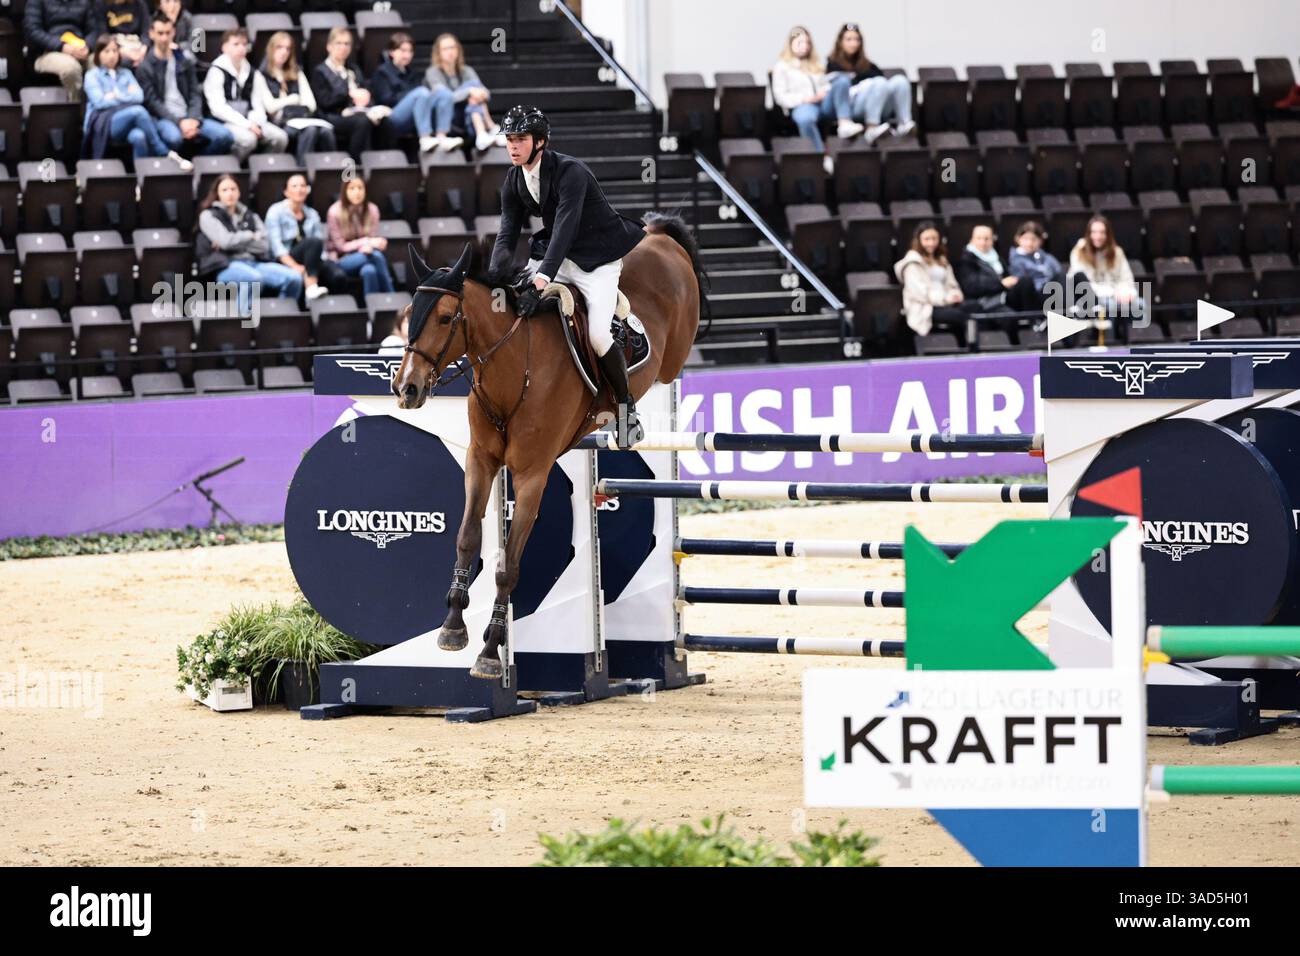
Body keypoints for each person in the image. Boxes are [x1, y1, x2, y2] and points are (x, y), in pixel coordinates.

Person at [486, 105, 648, 445]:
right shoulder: (514, 179)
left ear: (541, 141)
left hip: (596, 259)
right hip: (556, 256)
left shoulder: (571, 172)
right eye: (509, 140)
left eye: (521, 139)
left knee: (599, 336)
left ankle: (625, 408)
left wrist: (541, 280)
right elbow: (506, 233)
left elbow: (564, 229)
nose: (513, 146)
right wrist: (494, 276)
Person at [196, 174, 303, 315]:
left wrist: (235, 241)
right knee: (253, 278)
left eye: (233, 189)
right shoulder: (208, 215)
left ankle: (279, 321)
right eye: (225, 190)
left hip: (254, 262)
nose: (230, 193)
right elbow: (226, 242)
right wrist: (251, 236)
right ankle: (244, 328)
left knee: (294, 278)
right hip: (225, 265)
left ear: (239, 192)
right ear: (217, 194)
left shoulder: (250, 215)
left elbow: (265, 245)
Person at [82, 34, 192, 167]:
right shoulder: (92, 75)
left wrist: (115, 96)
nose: (112, 55)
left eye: (115, 51)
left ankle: (141, 180)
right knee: (138, 111)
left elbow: (139, 97)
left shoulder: (126, 73)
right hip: (103, 122)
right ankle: (162, 151)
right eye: (107, 51)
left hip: (127, 120)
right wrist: (126, 96)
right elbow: (100, 102)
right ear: (98, 54)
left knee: (138, 136)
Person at [137, 12, 233, 157]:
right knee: (174, 138)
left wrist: (193, 118)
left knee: (225, 136)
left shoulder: (183, 60)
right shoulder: (145, 66)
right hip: (164, 118)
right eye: (160, 33)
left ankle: (199, 163)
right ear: (151, 34)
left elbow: (195, 93)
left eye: (168, 33)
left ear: (173, 33)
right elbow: (153, 103)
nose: (164, 38)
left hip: (190, 116)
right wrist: (180, 122)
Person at [771, 26, 863, 172]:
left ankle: (844, 123)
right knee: (805, 118)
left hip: (823, 104)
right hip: (802, 105)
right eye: (800, 42)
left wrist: (824, 92)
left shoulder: (816, 64)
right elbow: (780, 97)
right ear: (791, 44)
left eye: (807, 43)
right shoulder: (782, 67)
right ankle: (821, 156)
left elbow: (825, 84)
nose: (804, 46)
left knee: (842, 80)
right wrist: (806, 99)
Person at [204, 28, 288, 160]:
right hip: (223, 121)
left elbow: (257, 104)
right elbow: (218, 109)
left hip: (249, 119)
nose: (241, 48)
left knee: (280, 137)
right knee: (248, 140)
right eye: (236, 44)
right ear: (224, 47)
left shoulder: (252, 72)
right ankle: (232, 170)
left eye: (244, 44)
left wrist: (257, 121)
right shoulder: (216, 71)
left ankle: (261, 169)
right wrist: (247, 125)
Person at [827, 22, 914, 144]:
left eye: (857, 39)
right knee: (879, 82)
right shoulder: (832, 63)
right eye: (849, 39)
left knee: (900, 81)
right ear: (840, 41)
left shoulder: (868, 64)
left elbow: (881, 81)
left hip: (877, 105)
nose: (853, 43)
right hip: (853, 107)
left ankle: (904, 123)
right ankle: (871, 128)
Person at [310, 27, 387, 161]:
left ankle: (382, 164)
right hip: (333, 115)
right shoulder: (320, 71)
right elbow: (325, 102)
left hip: (357, 111)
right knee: (363, 122)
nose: (343, 47)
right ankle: (355, 164)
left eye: (347, 44)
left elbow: (366, 92)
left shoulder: (354, 69)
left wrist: (368, 102)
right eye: (339, 43)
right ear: (329, 46)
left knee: (384, 120)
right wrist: (349, 94)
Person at [259, 31, 337, 164]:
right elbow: (270, 107)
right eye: (279, 47)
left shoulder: (296, 72)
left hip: (302, 119)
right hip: (280, 123)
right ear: (271, 49)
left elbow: (310, 103)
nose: (284, 52)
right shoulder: (261, 75)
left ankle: (331, 171)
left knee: (326, 131)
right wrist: (293, 99)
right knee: (310, 131)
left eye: (288, 48)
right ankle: (302, 173)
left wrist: (285, 103)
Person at [266, 173, 345, 302]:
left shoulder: (312, 214)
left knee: (338, 275)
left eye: (303, 186)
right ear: (286, 191)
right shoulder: (275, 211)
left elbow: (320, 246)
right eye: (295, 186)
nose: (299, 189)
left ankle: (333, 313)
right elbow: (276, 248)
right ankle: (311, 287)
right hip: (287, 258)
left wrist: (323, 263)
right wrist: (295, 267)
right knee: (312, 242)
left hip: (310, 259)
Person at [369, 32, 446, 154]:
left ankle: (442, 136)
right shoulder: (382, 72)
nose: (407, 55)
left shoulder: (413, 73)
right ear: (392, 52)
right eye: (403, 50)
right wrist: (410, 96)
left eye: (410, 51)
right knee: (421, 93)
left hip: (412, 117)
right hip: (391, 117)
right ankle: (425, 138)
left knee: (442, 94)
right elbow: (385, 99)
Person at [425, 32, 500, 152]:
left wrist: (476, 93)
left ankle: (482, 134)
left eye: (452, 47)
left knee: (474, 92)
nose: (450, 51)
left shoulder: (466, 70)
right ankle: (489, 128)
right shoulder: (432, 72)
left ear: (458, 49)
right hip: (448, 120)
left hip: (468, 116)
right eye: (445, 48)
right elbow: (447, 97)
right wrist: (469, 91)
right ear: (438, 52)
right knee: (472, 88)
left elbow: (486, 93)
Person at [894, 221, 965, 340]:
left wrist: (955, 295)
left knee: (975, 307)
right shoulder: (912, 264)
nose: (931, 243)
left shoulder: (942, 260)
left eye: (934, 238)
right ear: (919, 240)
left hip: (947, 303)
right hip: (925, 307)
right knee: (960, 316)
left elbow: (953, 285)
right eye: (927, 239)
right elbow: (920, 294)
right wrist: (945, 299)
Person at [325, 177, 395, 297]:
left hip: (366, 256)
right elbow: (340, 246)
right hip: (341, 260)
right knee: (377, 256)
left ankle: (374, 310)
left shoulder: (372, 210)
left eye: (360, 188)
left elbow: (372, 239)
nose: (357, 192)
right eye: (352, 188)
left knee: (369, 271)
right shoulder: (334, 211)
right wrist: (366, 242)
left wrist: (374, 244)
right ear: (344, 191)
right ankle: (392, 296)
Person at [1069, 215, 1145, 319]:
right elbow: (1084, 285)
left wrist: (1127, 292)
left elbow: (1127, 279)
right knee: (1110, 305)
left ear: (1107, 234)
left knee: (1140, 304)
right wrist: (1113, 293)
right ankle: (1110, 335)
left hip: (1115, 295)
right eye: (1094, 232)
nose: (1098, 236)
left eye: (1102, 232)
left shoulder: (1117, 252)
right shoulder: (1079, 251)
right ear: (1089, 234)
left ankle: (1138, 335)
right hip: (1089, 298)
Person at [24, 0, 100, 101]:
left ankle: (101, 109)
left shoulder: (85, 2)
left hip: (81, 48)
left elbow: (94, 29)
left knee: (100, 63)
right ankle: (76, 109)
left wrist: (87, 46)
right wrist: (61, 47)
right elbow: (32, 31)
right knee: (71, 69)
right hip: (48, 52)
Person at [1007, 221, 1065, 312]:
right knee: (1026, 282)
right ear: (1018, 239)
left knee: (1062, 277)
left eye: (1034, 239)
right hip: (1031, 296)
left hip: (1048, 292)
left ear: (1040, 241)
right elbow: (1021, 283)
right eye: (1026, 239)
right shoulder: (1015, 259)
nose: (1030, 243)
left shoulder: (1047, 257)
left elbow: (1058, 272)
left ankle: (1070, 313)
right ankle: (1033, 320)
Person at [98, 0, 150, 67]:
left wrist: (143, 50)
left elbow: (146, 31)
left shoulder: (139, 3)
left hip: (137, 45)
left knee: (145, 63)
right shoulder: (102, 4)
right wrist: (120, 50)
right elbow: (103, 33)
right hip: (115, 46)